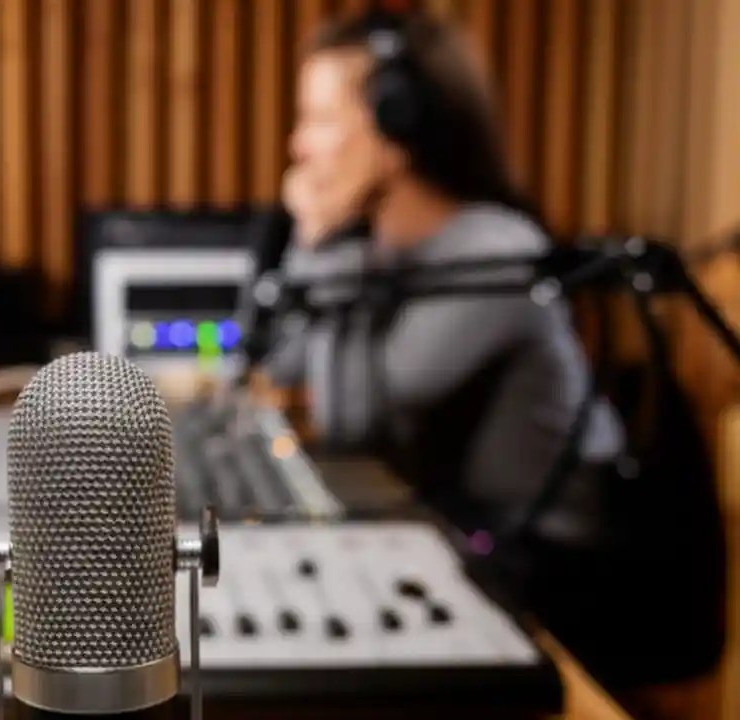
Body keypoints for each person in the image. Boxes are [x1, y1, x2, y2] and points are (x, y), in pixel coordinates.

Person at [265, 11, 723, 688]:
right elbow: (286, 365)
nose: (298, 145)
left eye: (320, 119)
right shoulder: (395, 253)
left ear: (399, 129)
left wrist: (322, 242)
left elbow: (353, 424)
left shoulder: (492, 250)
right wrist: (321, 249)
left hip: (563, 576)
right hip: (474, 543)